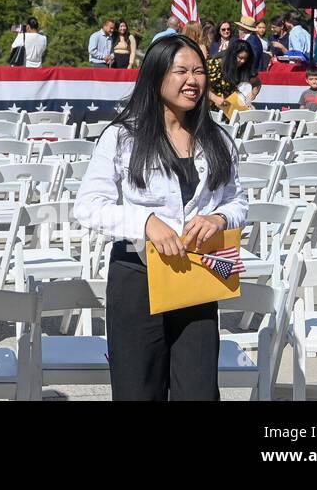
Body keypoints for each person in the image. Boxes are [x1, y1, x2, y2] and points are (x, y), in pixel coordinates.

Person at [74, 34, 247, 400]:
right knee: (138, 389)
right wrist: (145, 222)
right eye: (181, 70)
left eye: (199, 71)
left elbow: (237, 201)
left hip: (199, 273)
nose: (193, 80)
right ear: (156, 75)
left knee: (198, 391)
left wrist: (219, 219)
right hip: (139, 275)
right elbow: (88, 205)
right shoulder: (123, 137)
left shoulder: (218, 139)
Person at [206, 38, 261, 119]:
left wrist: (252, 95)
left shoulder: (243, 67)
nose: (243, 61)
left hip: (230, 109)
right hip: (210, 109)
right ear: (233, 54)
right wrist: (215, 98)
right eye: (240, 57)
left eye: (245, 59)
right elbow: (201, 87)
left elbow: (257, 83)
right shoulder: (214, 64)